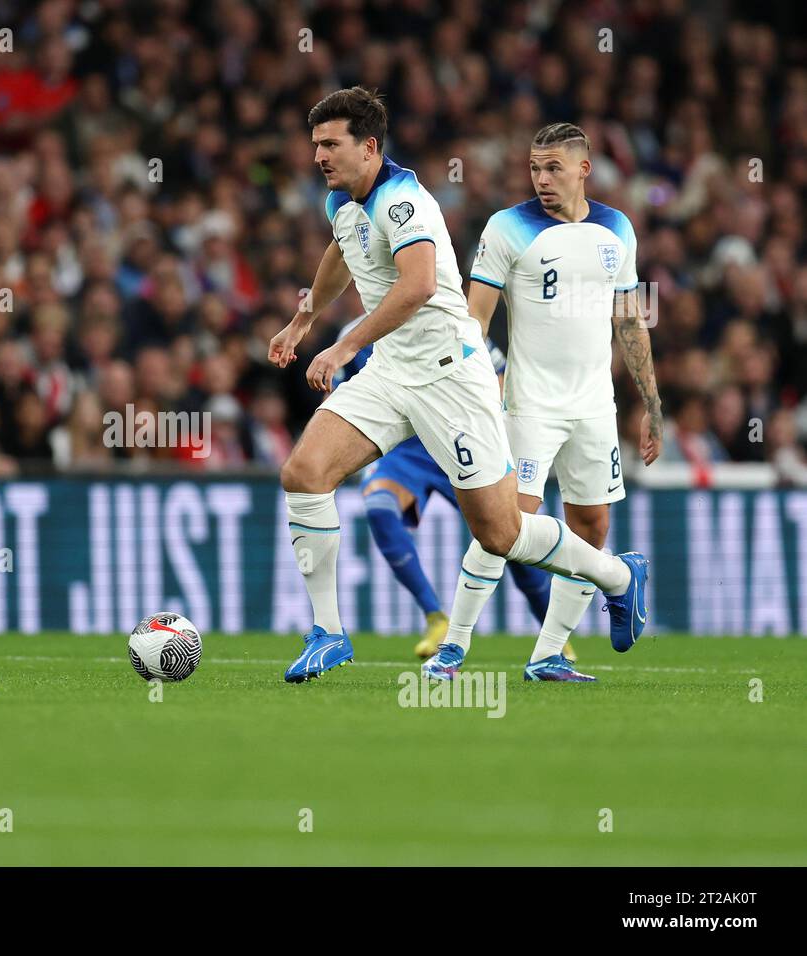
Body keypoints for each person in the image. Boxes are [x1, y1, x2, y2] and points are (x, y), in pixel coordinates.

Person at [267, 88, 648, 684]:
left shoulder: (406, 203)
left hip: (449, 373)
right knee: (303, 473)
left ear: (368, 147)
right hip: (392, 370)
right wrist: (305, 318)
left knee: (500, 533)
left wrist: (343, 344)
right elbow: (343, 250)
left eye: (330, 144)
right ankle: (329, 633)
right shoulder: (341, 199)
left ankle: (619, 577)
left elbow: (416, 286)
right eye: (315, 144)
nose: (318, 155)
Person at [433, 122, 663, 683]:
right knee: (506, 526)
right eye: (535, 168)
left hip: (594, 407)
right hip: (529, 404)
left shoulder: (617, 229)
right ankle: (453, 649)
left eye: (553, 168)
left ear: (584, 169)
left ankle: (549, 653)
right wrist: (476, 387)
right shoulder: (507, 228)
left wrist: (652, 405)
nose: (541, 179)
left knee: (591, 522)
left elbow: (630, 320)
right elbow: (474, 319)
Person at [333, 321, 560, 659]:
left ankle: (552, 632)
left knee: (505, 535)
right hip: (404, 450)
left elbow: (500, 379)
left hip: (460, 438)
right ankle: (435, 618)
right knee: (380, 507)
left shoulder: (455, 319)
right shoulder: (354, 334)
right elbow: (340, 399)